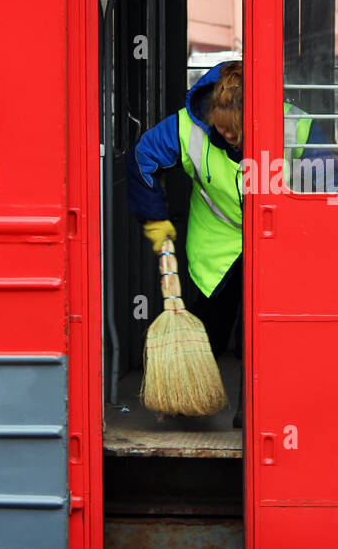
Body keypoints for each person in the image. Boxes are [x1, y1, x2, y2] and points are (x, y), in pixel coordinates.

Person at [127, 60, 325, 368]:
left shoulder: (294, 124)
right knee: (212, 326)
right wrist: (155, 219)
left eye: (236, 130)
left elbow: (328, 179)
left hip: (276, 240)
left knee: (266, 333)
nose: (228, 136)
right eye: (221, 128)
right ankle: (196, 391)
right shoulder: (186, 126)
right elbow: (143, 159)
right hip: (215, 247)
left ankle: (251, 408)